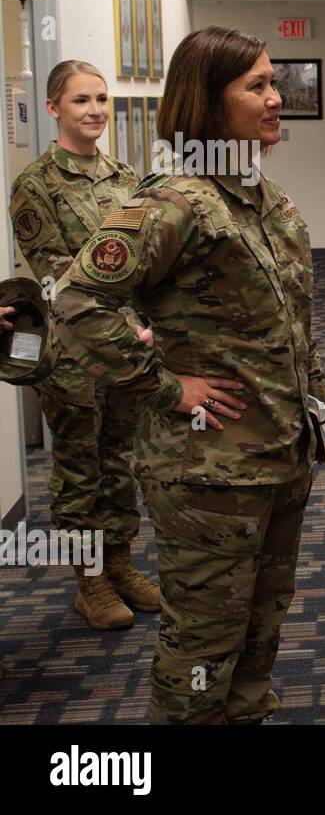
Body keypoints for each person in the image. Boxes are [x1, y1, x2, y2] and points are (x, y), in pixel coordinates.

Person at [51, 26, 325, 724]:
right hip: (208, 473)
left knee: (258, 636)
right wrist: (167, 388)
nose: (277, 100)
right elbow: (78, 301)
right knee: (202, 653)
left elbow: (289, 318)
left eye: (275, 83)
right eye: (258, 87)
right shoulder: (175, 199)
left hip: (279, 455)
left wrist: (317, 398)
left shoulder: (265, 199)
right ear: (208, 103)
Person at [7, 60, 158, 631]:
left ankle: (119, 562)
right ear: (53, 109)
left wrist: (147, 322)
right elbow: (57, 275)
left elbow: (142, 256)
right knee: (78, 469)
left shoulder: (125, 176)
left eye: (101, 99)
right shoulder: (36, 185)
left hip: (127, 346)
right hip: (71, 351)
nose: (95, 110)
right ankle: (88, 580)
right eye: (80, 101)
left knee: (119, 461)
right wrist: (123, 316)